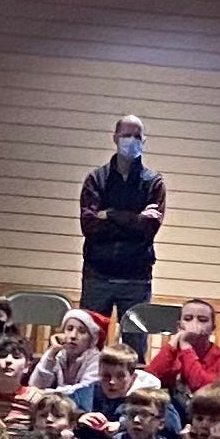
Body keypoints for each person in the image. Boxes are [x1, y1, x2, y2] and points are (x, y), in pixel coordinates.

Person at [76, 115, 169, 321]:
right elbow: (89, 226)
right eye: (126, 135)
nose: (131, 140)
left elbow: (149, 229)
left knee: (135, 347)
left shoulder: (153, 183)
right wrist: (136, 219)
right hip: (97, 274)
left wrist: (109, 214)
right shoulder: (96, 179)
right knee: (89, 341)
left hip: (137, 277)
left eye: (137, 136)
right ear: (115, 138)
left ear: (144, 141)